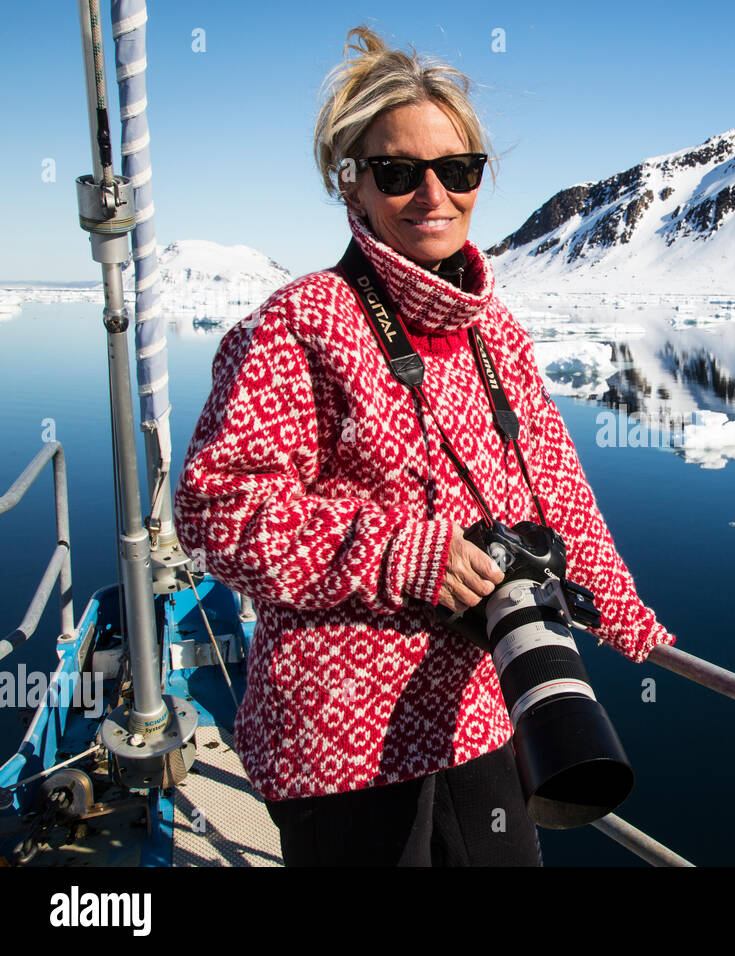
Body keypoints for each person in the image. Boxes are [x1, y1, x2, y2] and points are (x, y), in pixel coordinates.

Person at [172, 25, 676, 866]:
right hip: (342, 742)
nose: (433, 193)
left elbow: (555, 482)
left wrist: (624, 615)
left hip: (479, 712)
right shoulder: (301, 325)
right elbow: (217, 510)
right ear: (353, 188)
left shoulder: (492, 332)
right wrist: (407, 556)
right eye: (399, 172)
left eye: (458, 169)